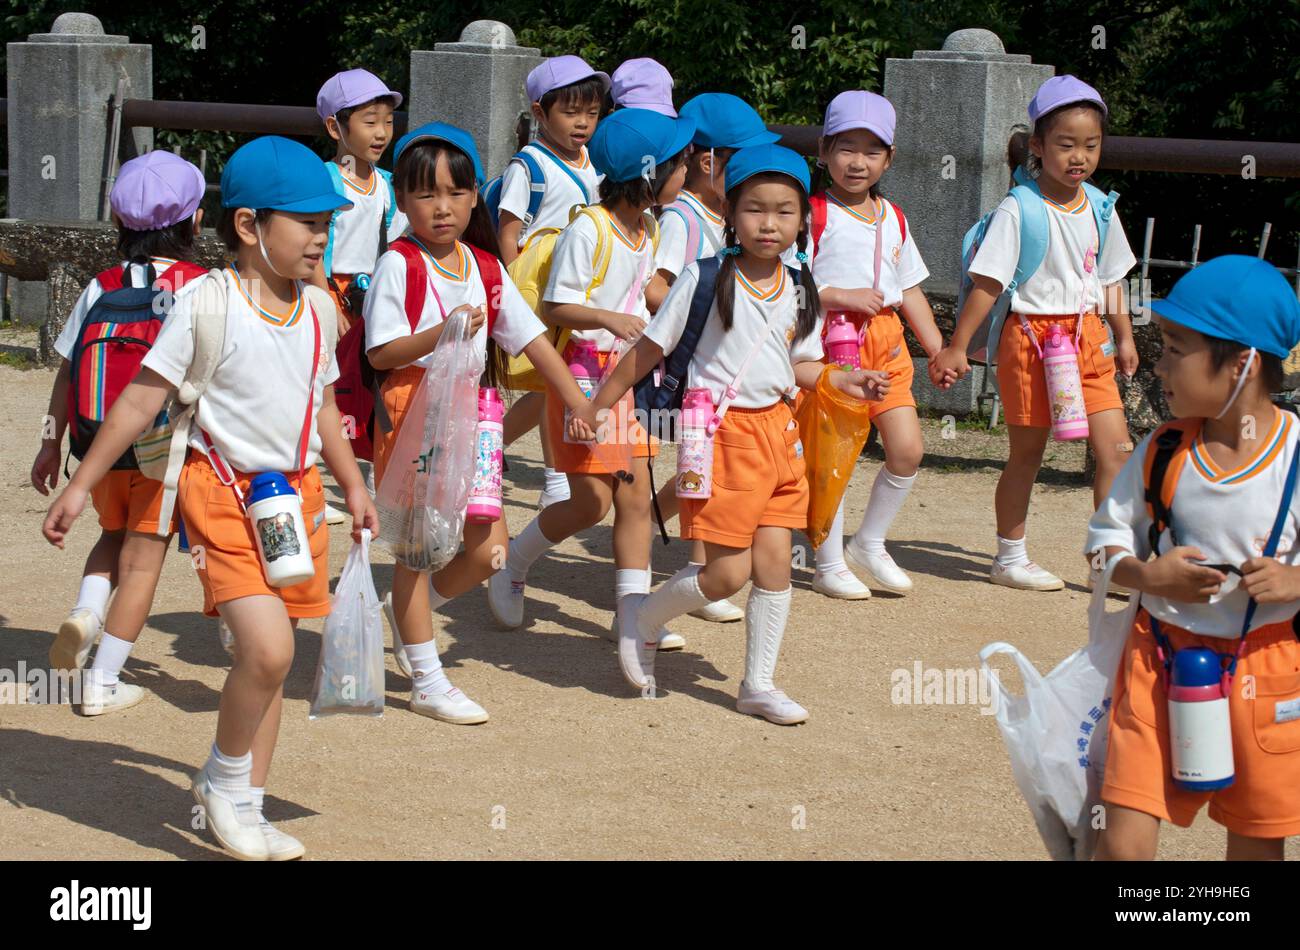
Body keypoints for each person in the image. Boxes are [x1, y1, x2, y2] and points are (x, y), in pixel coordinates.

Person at [43, 135, 379, 861]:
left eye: (327, 222)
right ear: (251, 226)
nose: (322, 235)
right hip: (222, 493)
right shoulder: (206, 301)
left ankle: (246, 807)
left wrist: (353, 484)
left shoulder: (319, 310)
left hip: (297, 500)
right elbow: (141, 398)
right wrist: (77, 483)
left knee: (275, 660)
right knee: (266, 648)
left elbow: (323, 406)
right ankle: (223, 786)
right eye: (307, 222)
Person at [574, 144, 889, 724]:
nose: (769, 224)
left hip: (781, 432)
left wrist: (848, 380)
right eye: (754, 209)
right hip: (722, 436)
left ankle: (758, 684)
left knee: (773, 565)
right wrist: (598, 404)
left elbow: (803, 366)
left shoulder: (800, 286)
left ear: (802, 220)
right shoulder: (704, 277)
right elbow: (650, 348)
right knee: (725, 574)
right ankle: (641, 615)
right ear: (731, 212)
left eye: (785, 211)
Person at [364, 122, 594, 723]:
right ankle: (426, 675)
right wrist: (441, 335)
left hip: (472, 415)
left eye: (455, 193)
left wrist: (577, 402)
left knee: (489, 551)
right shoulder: (399, 264)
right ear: (403, 201)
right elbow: (380, 353)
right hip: (413, 413)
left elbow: (536, 342)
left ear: (474, 199)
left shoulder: (486, 268)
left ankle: (407, 616)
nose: (442, 208)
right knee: (417, 553)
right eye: (425, 195)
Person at [1087, 255, 1300, 861]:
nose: (1158, 365)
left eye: (1176, 348)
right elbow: (1101, 552)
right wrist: (1145, 575)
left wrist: (1293, 579)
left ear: (1242, 363)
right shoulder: (1163, 449)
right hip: (1156, 659)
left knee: (1256, 846)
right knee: (1123, 847)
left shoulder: (1294, 458)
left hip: (1268, 670)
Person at [488, 108, 693, 657]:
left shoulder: (647, 227)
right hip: (583, 379)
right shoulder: (590, 227)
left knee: (631, 496)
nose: (688, 171)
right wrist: (607, 319)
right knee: (590, 506)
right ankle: (514, 563)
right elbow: (556, 305)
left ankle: (632, 616)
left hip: (630, 381)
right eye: (679, 164)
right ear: (650, 173)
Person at [932, 75, 1139, 590]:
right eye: (1066, 145)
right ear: (1039, 147)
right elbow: (987, 283)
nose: (1079, 157)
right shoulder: (1018, 209)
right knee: (1028, 452)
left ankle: (1107, 558)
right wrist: (959, 345)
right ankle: (1010, 556)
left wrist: (1125, 335)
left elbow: (1110, 280)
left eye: (1091, 146)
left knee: (1117, 450)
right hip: (1030, 340)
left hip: (1087, 337)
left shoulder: (1101, 208)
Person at [32, 151, 208, 714]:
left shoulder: (100, 285)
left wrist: (49, 441)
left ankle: (86, 611)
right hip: (163, 450)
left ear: (117, 223)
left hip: (97, 445)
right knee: (142, 558)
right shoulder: (201, 287)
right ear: (195, 221)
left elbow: (66, 368)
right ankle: (103, 682)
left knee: (111, 536)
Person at [807, 90, 946, 599]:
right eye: (846, 147)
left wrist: (937, 349)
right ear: (823, 151)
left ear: (889, 158)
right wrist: (839, 296)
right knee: (836, 452)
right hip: (830, 342)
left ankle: (868, 542)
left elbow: (909, 290)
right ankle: (826, 559)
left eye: (872, 151)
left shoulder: (894, 217)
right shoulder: (810, 213)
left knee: (907, 449)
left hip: (886, 343)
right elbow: (788, 283)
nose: (857, 161)